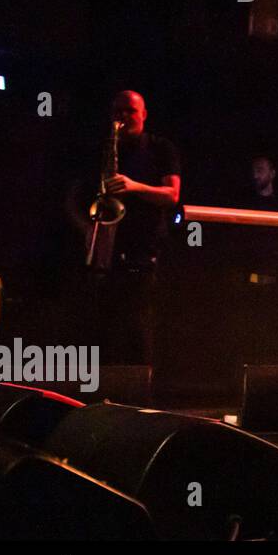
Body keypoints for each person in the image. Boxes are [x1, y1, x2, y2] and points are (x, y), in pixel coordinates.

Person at [78, 90, 181, 365]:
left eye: (130, 111)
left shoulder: (161, 148)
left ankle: (139, 398)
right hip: (106, 246)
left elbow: (172, 195)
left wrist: (134, 186)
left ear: (144, 115)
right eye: (118, 111)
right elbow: (73, 195)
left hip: (142, 247)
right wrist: (85, 226)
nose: (123, 117)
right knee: (101, 327)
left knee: (136, 326)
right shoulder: (104, 148)